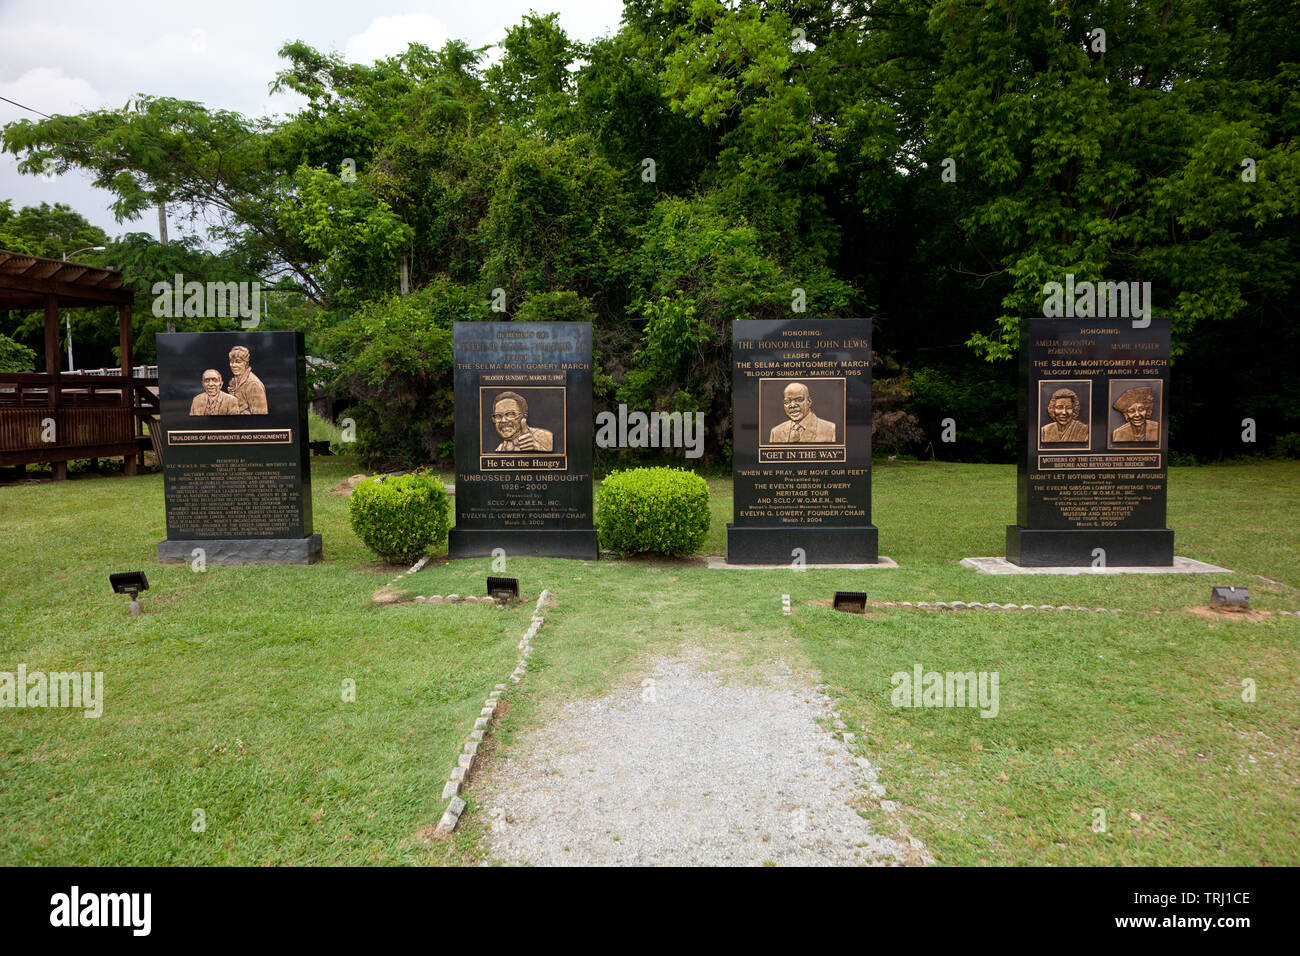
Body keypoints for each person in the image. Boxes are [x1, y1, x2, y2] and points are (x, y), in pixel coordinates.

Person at [769, 382, 836, 442]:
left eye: (799, 400)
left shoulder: (830, 430)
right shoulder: (775, 432)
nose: (792, 405)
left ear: (809, 402)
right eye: (787, 402)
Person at [226, 346, 267, 415]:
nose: (233, 365)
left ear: (246, 363)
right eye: (231, 362)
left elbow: (260, 416)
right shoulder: (234, 381)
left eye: (238, 362)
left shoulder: (253, 384)